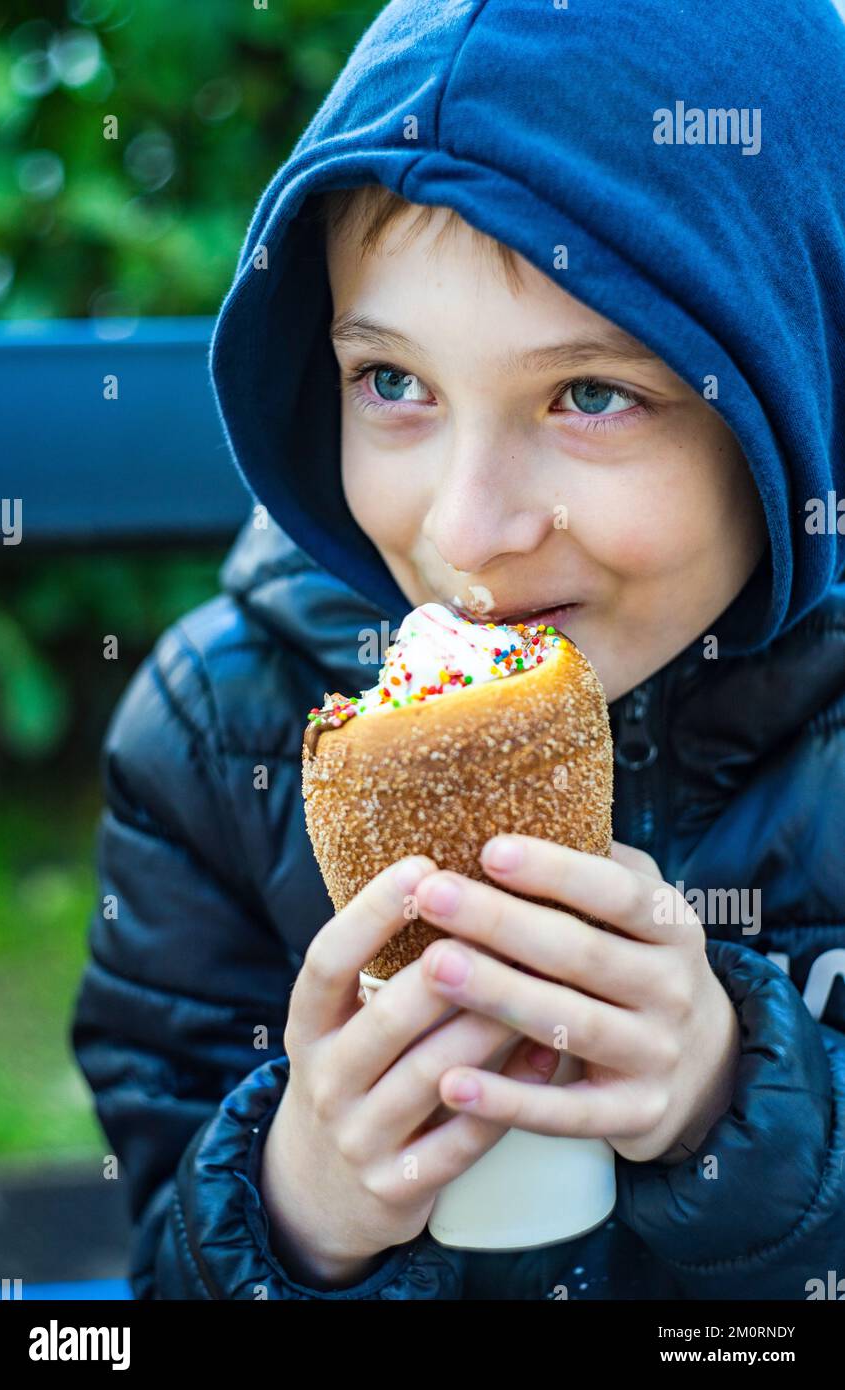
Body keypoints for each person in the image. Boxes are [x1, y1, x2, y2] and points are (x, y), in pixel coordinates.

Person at [71, 0, 845, 1299]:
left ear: (793, 397)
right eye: (392, 384)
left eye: (589, 394)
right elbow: (160, 1260)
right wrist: (299, 1205)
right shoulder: (219, 735)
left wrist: (739, 1101)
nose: (465, 530)